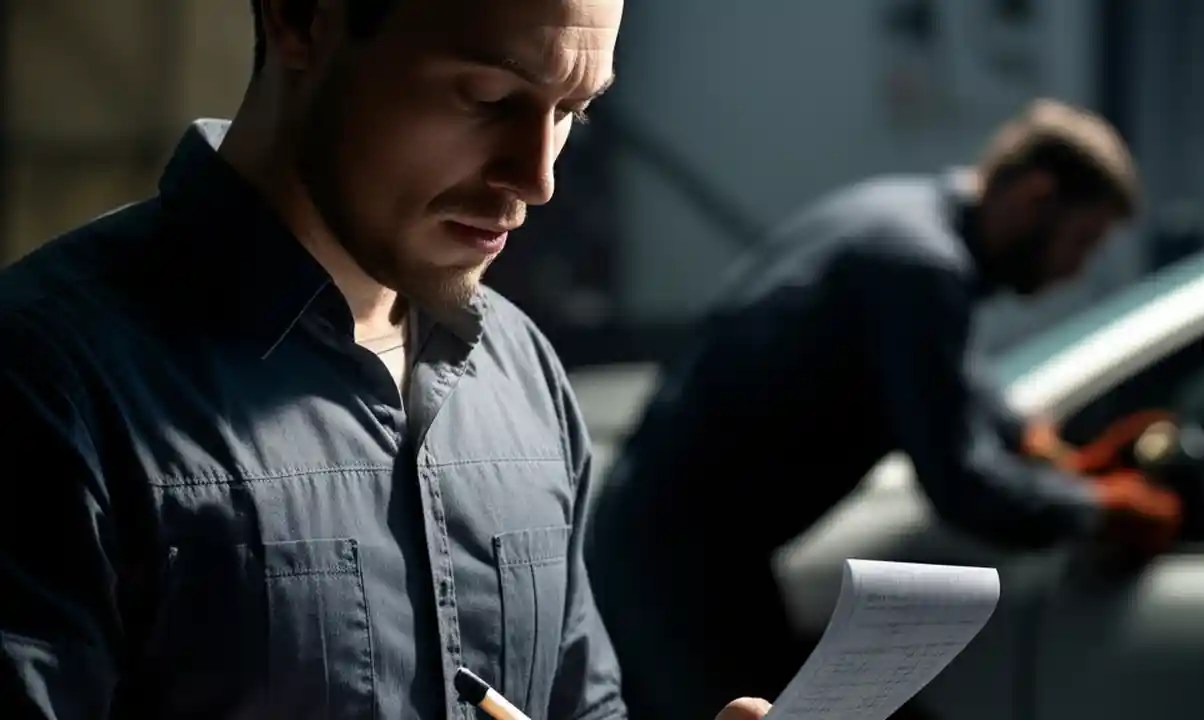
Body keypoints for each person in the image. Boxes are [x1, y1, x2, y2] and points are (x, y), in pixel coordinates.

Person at [0, 2, 771, 719]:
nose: (537, 180)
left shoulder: (521, 373)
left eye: (572, 111)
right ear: (301, 17)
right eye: (489, 98)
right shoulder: (46, 379)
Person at [585, 99, 1184, 720]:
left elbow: (950, 381)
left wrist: (1046, 451)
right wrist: (1101, 508)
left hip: (687, 553)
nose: (1076, 270)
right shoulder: (922, 267)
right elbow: (963, 484)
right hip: (676, 570)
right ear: (1036, 197)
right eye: (1082, 241)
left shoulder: (901, 216)